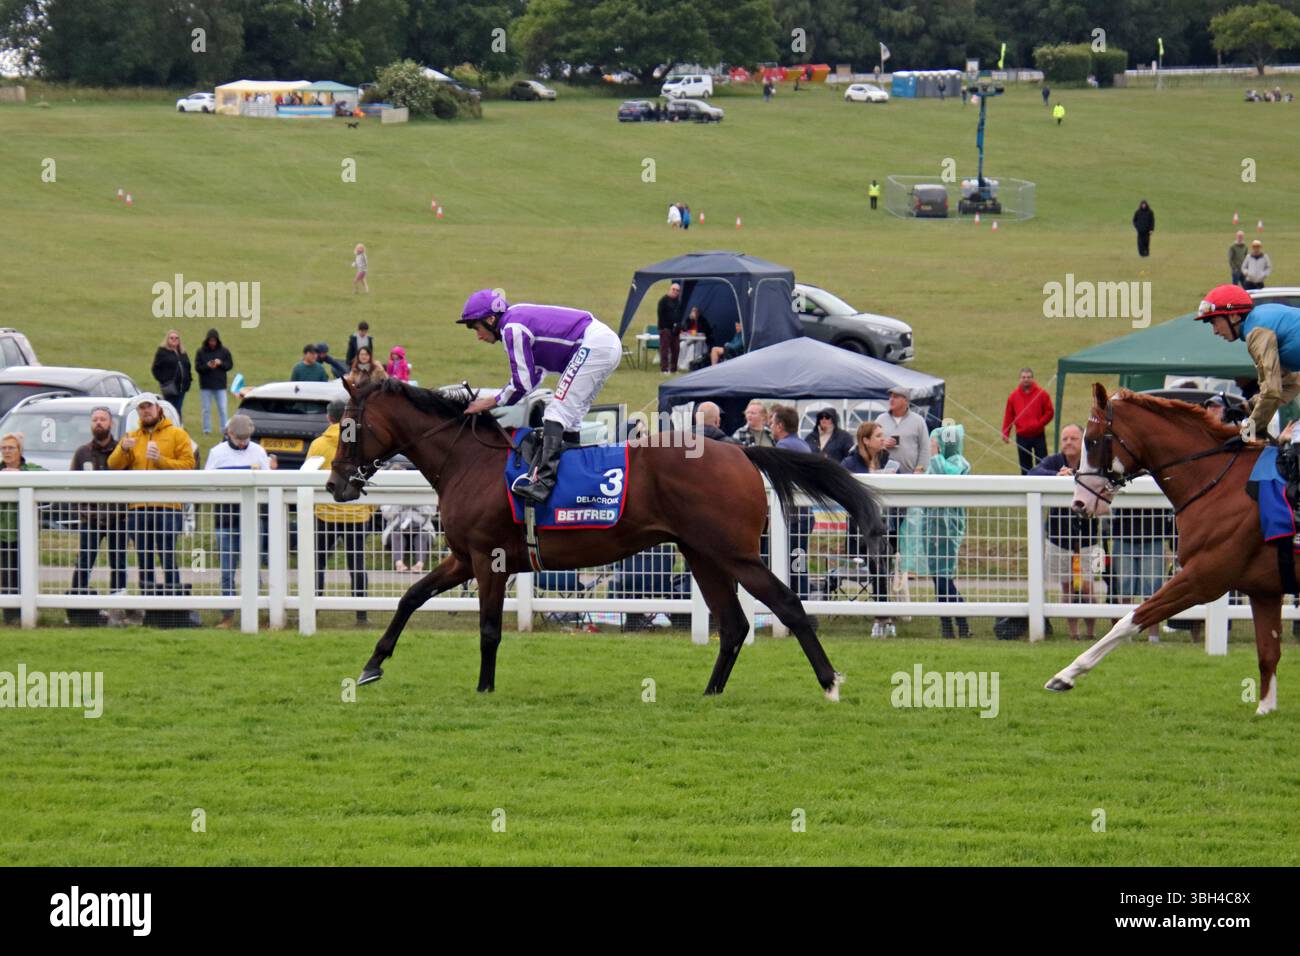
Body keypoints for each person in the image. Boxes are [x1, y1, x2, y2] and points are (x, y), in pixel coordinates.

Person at [460, 289, 622, 503]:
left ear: (490, 319)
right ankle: (571, 473)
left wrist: (490, 402)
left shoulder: (512, 328)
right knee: (570, 420)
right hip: (603, 344)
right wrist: (497, 400)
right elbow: (534, 376)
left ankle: (543, 483)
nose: (478, 336)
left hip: (595, 344)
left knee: (556, 412)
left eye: (476, 327)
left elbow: (522, 382)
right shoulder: (515, 318)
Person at [107, 394, 195, 595]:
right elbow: (113, 464)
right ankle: (148, 600)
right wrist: (122, 449)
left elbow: (189, 465)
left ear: (158, 409)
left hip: (168, 505)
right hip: (138, 507)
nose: (146, 411)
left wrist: (161, 460)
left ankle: (174, 600)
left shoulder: (178, 434)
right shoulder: (131, 437)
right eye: (141, 408)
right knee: (143, 558)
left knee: (167, 556)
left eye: (149, 407)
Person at [1197, 284, 1300, 448]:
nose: (1215, 331)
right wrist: (1246, 407)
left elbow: (1272, 390)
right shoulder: (1263, 321)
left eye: (1214, 322)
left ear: (1233, 316)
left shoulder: (1257, 331)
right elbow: (1290, 383)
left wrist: (1248, 433)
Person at [305, 401, 374, 623]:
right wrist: (369, 508)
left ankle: (314, 608)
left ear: (328, 418)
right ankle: (361, 614)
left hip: (325, 513)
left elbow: (308, 476)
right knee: (357, 564)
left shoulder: (318, 444)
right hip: (356, 513)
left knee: (318, 562)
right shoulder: (359, 443)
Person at [1030, 424, 1100, 640]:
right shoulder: (1054, 461)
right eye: (1065, 439)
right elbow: (1033, 472)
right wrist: (1057, 475)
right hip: (1058, 535)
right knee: (1067, 586)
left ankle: (1091, 631)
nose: (1068, 442)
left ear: (1083, 442)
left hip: (1087, 536)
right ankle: (1073, 632)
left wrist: (1076, 475)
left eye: (1074, 438)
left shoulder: (1092, 462)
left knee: (1088, 586)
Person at [205, 414, 274, 628]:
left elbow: (269, 480)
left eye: (247, 438)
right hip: (225, 520)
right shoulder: (217, 453)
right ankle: (227, 615)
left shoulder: (258, 451)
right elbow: (207, 482)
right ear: (230, 434)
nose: (244, 442)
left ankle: (255, 611)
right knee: (227, 570)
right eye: (240, 438)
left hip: (253, 519)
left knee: (253, 567)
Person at [842, 421, 898, 637]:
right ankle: (883, 613)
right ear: (865, 440)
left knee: (882, 559)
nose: (882, 439)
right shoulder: (849, 463)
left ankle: (883, 613)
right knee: (877, 559)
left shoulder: (889, 462)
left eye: (882, 435)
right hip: (861, 530)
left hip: (886, 526)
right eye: (878, 436)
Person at [69, 407, 126, 604]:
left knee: (118, 563)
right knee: (84, 561)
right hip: (90, 518)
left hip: (118, 518)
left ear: (111, 424)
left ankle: (118, 604)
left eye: (103, 419)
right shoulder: (82, 453)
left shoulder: (121, 451)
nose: (99, 423)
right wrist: (82, 511)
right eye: (95, 419)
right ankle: (76, 601)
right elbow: (72, 484)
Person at [924, 423, 971, 639]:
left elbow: (945, 477)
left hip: (948, 528)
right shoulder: (937, 462)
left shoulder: (959, 463)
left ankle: (959, 623)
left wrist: (935, 456)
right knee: (938, 577)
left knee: (944, 578)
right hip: (931, 527)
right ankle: (948, 626)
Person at [1108, 500, 1174, 643]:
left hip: (1154, 535)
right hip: (1123, 535)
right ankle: (1125, 636)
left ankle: (1153, 636)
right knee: (1125, 590)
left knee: (1153, 591)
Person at [769, 404, 814, 600]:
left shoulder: (784, 447)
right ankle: (802, 600)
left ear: (779, 426)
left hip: (793, 517)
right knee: (799, 561)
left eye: (772, 423)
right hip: (804, 515)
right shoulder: (803, 445)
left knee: (791, 563)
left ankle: (797, 602)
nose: (770, 426)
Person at [0, 433, 45, 623]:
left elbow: (48, 475)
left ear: (20, 451)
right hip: (3, 533)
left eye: (11, 448)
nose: (7, 452)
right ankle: (10, 616)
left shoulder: (29, 469)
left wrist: (20, 476)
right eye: (3, 448)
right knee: (6, 573)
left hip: (24, 533)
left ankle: (24, 613)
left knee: (23, 572)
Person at [380, 464, 436, 572]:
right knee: (396, 534)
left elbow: (431, 511)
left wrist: (415, 502)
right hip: (396, 529)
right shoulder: (387, 493)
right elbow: (387, 515)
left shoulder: (423, 490)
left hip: (422, 529)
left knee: (423, 535)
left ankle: (419, 564)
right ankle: (399, 564)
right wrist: (401, 502)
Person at [1001, 367, 1055, 474]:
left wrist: (1039, 424)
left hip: (1038, 435)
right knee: (1025, 467)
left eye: (1029, 377)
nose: (1026, 379)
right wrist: (1005, 432)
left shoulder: (1042, 394)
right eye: (1023, 377)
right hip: (1022, 437)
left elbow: (1049, 412)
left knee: (1043, 463)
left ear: (1033, 379)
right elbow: (1009, 415)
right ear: (1019, 379)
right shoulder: (1013, 396)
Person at [874, 386, 930, 474]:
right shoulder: (880, 419)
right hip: (884, 475)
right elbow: (871, 443)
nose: (891, 400)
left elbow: (925, 447)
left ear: (906, 401)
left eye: (896, 397)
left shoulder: (918, 421)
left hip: (910, 475)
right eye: (890, 397)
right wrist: (883, 444)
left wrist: (920, 469)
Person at [194, 328, 233, 435]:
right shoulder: (200, 352)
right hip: (206, 386)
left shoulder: (224, 351)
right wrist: (207, 366)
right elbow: (197, 368)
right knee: (206, 409)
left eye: (214, 340)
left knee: (223, 409)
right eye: (210, 340)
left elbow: (229, 365)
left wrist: (220, 363)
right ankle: (206, 429)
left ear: (217, 340)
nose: (212, 343)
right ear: (207, 341)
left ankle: (224, 429)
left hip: (220, 386)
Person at [151, 329, 192, 427]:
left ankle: (178, 428)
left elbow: (187, 366)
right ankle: (168, 427)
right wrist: (164, 380)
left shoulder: (182, 353)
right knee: (170, 408)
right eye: (171, 338)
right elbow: (155, 369)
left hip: (182, 387)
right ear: (167, 340)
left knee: (178, 408)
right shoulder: (162, 352)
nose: (174, 340)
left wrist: (189, 379)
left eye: (176, 338)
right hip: (169, 387)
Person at [657, 282, 683, 374]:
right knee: (665, 349)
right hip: (665, 329)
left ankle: (674, 369)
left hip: (675, 330)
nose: (675, 292)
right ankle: (664, 369)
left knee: (676, 349)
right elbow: (661, 316)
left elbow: (679, 315)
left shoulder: (678, 302)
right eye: (674, 289)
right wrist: (668, 327)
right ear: (670, 289)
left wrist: (678, 326)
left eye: (677, 290)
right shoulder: (663, 301)